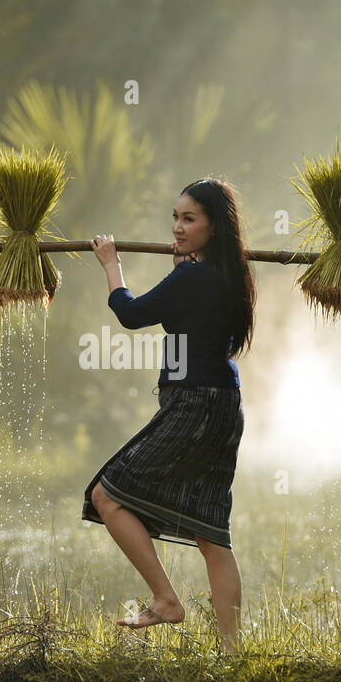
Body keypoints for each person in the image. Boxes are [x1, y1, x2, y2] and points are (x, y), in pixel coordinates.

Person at [81, 177, 256, 654]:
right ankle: (230, 650)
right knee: (210, 533)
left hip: (194, 404)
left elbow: (132, 313)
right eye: (175, 218)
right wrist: (186, 264)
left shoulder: (194, 277)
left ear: (215, 227)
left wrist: (111, 264)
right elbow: (182, 321)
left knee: (106, 495)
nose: (177, 228)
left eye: (189, 219)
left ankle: (164, 600)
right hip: (223, 405)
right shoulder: (225, 276)